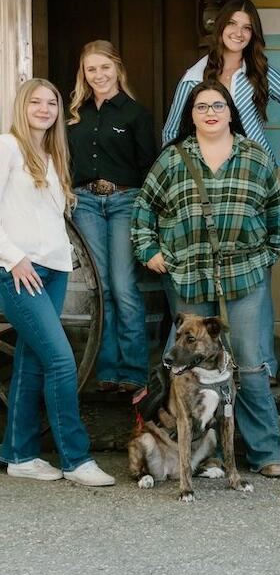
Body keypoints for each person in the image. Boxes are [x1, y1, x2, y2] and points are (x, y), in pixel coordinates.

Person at [131, 80, 280, 478]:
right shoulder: (172, 160)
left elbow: (274, 212)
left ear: (231, 111)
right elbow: (144, 209)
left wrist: (267, 255)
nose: (211, 112)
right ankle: (195, 451)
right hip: (189, 275)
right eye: (202, 107)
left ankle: (266, 452)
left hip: (244, 273)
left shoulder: (254, 157)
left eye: (218, 105)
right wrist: (149, 250)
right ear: (192, 115)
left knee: (251, 364)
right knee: (185, 365)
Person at [163, 0, 280, 387]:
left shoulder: (255, 70)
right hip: (207, 188)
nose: (239, 33)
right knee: (204, 289)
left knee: (253, 283)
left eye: (247, 27)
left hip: (251, 183)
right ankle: (202, 371)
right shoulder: (195, 78)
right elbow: (169, 133)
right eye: (233, 25)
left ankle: (260, 367)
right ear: (220, 27)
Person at [0, 78, 115, 486]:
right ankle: (76, 459)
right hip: (19, 272)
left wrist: (60, 260)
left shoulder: (52, 155)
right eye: (37, 101)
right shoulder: (7, 147)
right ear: (22, 106)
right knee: (62, 361)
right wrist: (13, 259)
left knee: (30, 363)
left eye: (52, 103)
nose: (45, 109)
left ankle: (19, 455)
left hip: (54, 269)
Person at [67, 40, 158, 394]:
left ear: (117, 68)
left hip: (124, 201)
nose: (98, 75)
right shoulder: (77, 113)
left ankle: (134, 371)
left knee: (123, 286)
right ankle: (106, 370)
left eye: (104, 67)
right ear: (84, 73)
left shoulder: (136, 114)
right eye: (91, 69)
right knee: (100, 288)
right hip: (86, 203)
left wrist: (146, 214)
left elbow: (148, 168)